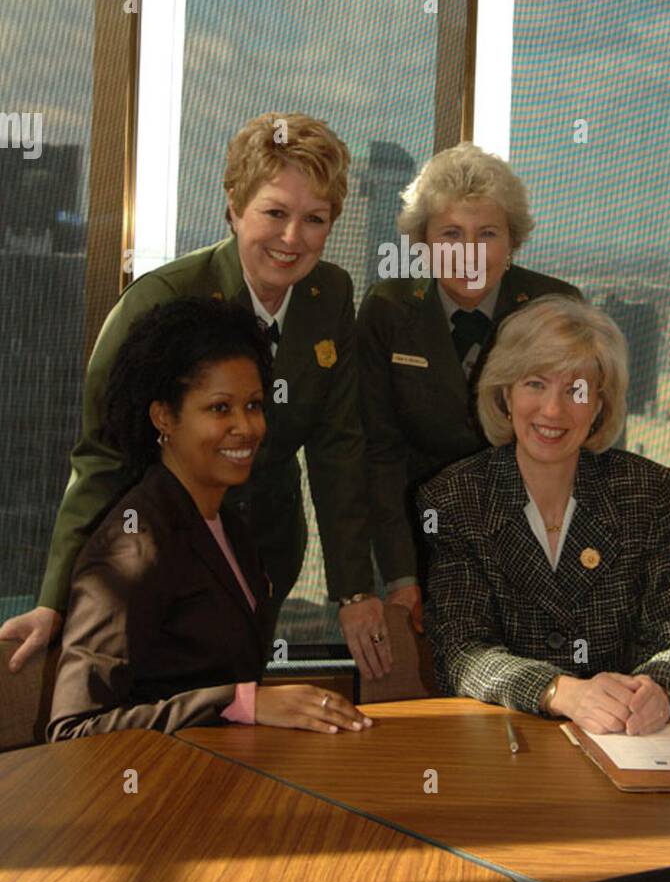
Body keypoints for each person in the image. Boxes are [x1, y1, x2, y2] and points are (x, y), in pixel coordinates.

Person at [2, 113, 398, 680]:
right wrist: (58, 599)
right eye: (275, 213)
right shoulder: (161, 303)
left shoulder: (329, 293)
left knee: (241, 704)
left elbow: (338, 448)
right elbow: (103, 458)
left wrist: (354, 589)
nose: (293, 239)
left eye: (315, 219)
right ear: (234, 208)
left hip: (264, 552)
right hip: (161, 556)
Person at [47, 297, 372, 739]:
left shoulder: (229, 524)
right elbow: (75, 729)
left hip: (222, 777)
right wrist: (241, 702)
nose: (246, 426)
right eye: (220, 409)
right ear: (164, 416)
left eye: (254, 405)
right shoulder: (132, 545)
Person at [418, 295, 670, 731]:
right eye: (535, 384)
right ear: (504, 392)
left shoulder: (643, 491)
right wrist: (561, 691)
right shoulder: (455, 497)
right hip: (507, 746)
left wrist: (660, 689)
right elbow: (463, 654)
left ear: (600, 404)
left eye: (576, 390)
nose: (553, 410)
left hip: (625, 741)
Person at [357, 143, 582, 622]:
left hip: (531, 543)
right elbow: (380, 453)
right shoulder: (389, 309)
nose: (469, 254)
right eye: (451, 234)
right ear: (422, 243)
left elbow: (582, 453)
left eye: (487, 234)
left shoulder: (554, 306)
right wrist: (401, 576)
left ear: (513, 241)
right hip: (417, 542)